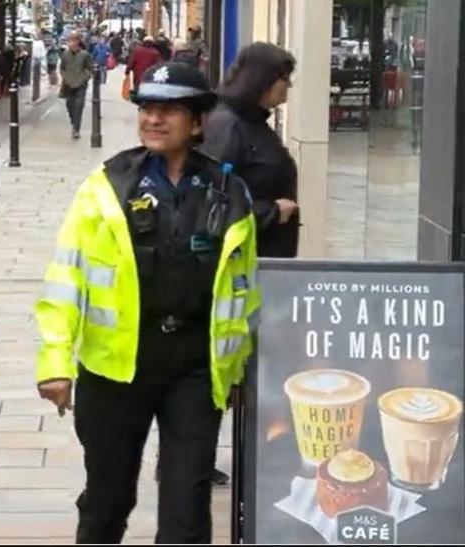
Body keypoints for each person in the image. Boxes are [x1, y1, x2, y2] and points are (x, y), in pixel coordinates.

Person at [36, 62, 260, 543]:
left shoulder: (229, 193)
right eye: (147, 108)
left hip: (194, 369)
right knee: (108, 498)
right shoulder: (107, 186)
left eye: (170, 110)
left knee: (187, 507)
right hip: (117, 368)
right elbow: (65, 278)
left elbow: (243, 290)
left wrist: (237, 367)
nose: (154, 119)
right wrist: (55, 362)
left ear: (198, 122)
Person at [202, 42, 299, 258]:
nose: (289, 85)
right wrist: (271, 213)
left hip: (263, 255)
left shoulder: (253, 123)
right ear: (261, 79)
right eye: (284, 77)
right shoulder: (228, 128)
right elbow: (209, 205)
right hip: (243, 262)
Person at [59, 32, 93, 139]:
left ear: (78, 42)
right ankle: (74, 122)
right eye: (70, 41)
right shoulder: (65, 54)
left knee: (78, 105)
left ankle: (76, 129)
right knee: (69, 104)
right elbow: (62, 68)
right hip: (68, 84)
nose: (72, 43)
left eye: (74, 40)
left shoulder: (84, 55)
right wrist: (65, 76)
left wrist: (85, 77)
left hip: (80, 85)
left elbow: (90, 68)